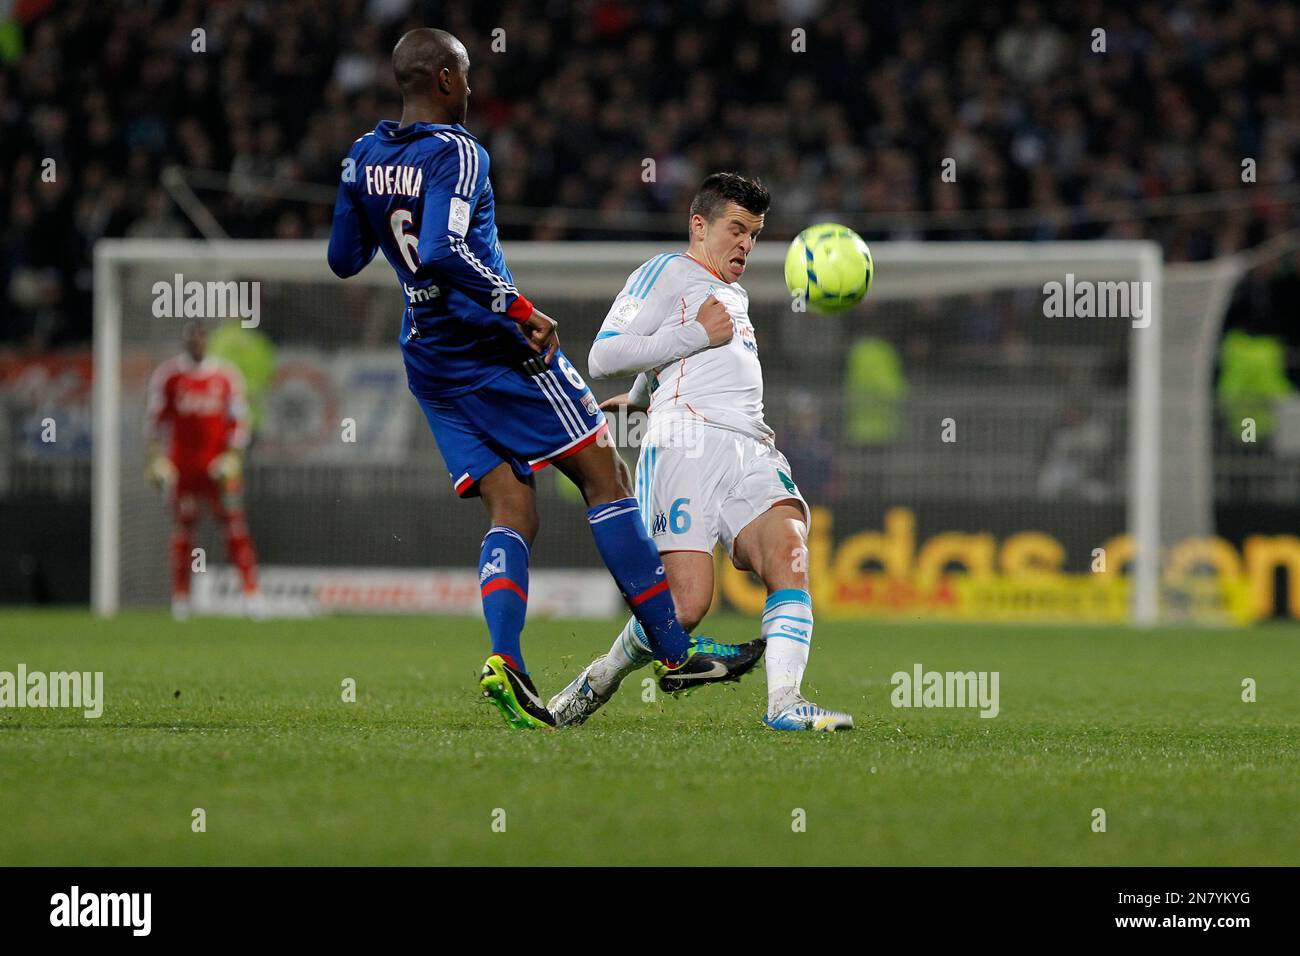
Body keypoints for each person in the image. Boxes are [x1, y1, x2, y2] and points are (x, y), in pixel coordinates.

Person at [326, 29, 762, 729]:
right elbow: (441, 247)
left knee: (513, 510)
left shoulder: (361, 157)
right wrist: (518, 306)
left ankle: (507, 660)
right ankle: (677, 654)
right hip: (499, 350)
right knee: (604, 478)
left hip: (429, 358)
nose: (471, 89)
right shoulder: (459, 152)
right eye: (465, 76)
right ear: (443, 80)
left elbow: (345, 259)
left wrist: (378, 204)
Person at [548, 172, 853, 731]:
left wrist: (639, 397)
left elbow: (668, 366)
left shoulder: (733, 296)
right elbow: (604, 354)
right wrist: (692, 341)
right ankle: (600, 677)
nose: (746, 245)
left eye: (755, 235)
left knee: (791, 557)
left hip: (751, 445)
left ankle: (785, 702)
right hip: (685, 443)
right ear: (698, 225)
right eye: (736, 229)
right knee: (686, 608)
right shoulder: (666, 271)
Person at [145, 323, 262, 619]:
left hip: (218, 468)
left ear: (206, 341)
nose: (196, 343)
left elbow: (240, 421)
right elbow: (155, 423)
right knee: (184, 530)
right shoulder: (169, 376)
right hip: (183, 470)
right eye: (191, 338)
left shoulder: (225, 376)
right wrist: (156, 459)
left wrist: (233, 458)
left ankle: (251, 595)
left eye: (200, 338)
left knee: (235, 529)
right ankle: (181, 598)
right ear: (185, 342)